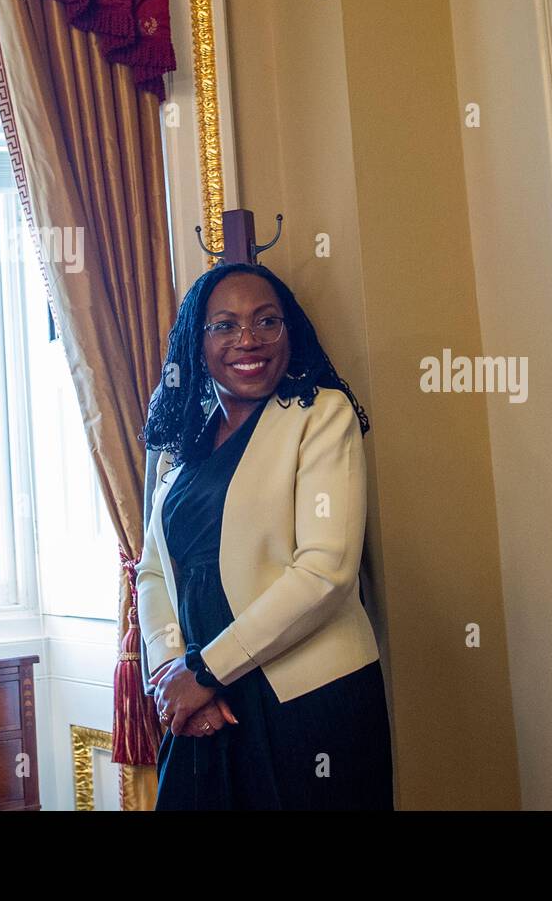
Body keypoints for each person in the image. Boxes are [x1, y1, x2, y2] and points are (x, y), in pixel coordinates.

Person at [138, 262, 392, 810]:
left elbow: (325, 572)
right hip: (199, 704)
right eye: (224, 325)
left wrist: (206, 669)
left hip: (304, 701)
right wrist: (173, 675)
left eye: (266, 321)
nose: (247, 340)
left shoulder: (321, 415)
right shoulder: (179, 444)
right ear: (196, 342)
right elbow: (153, 571)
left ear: (289, 331)